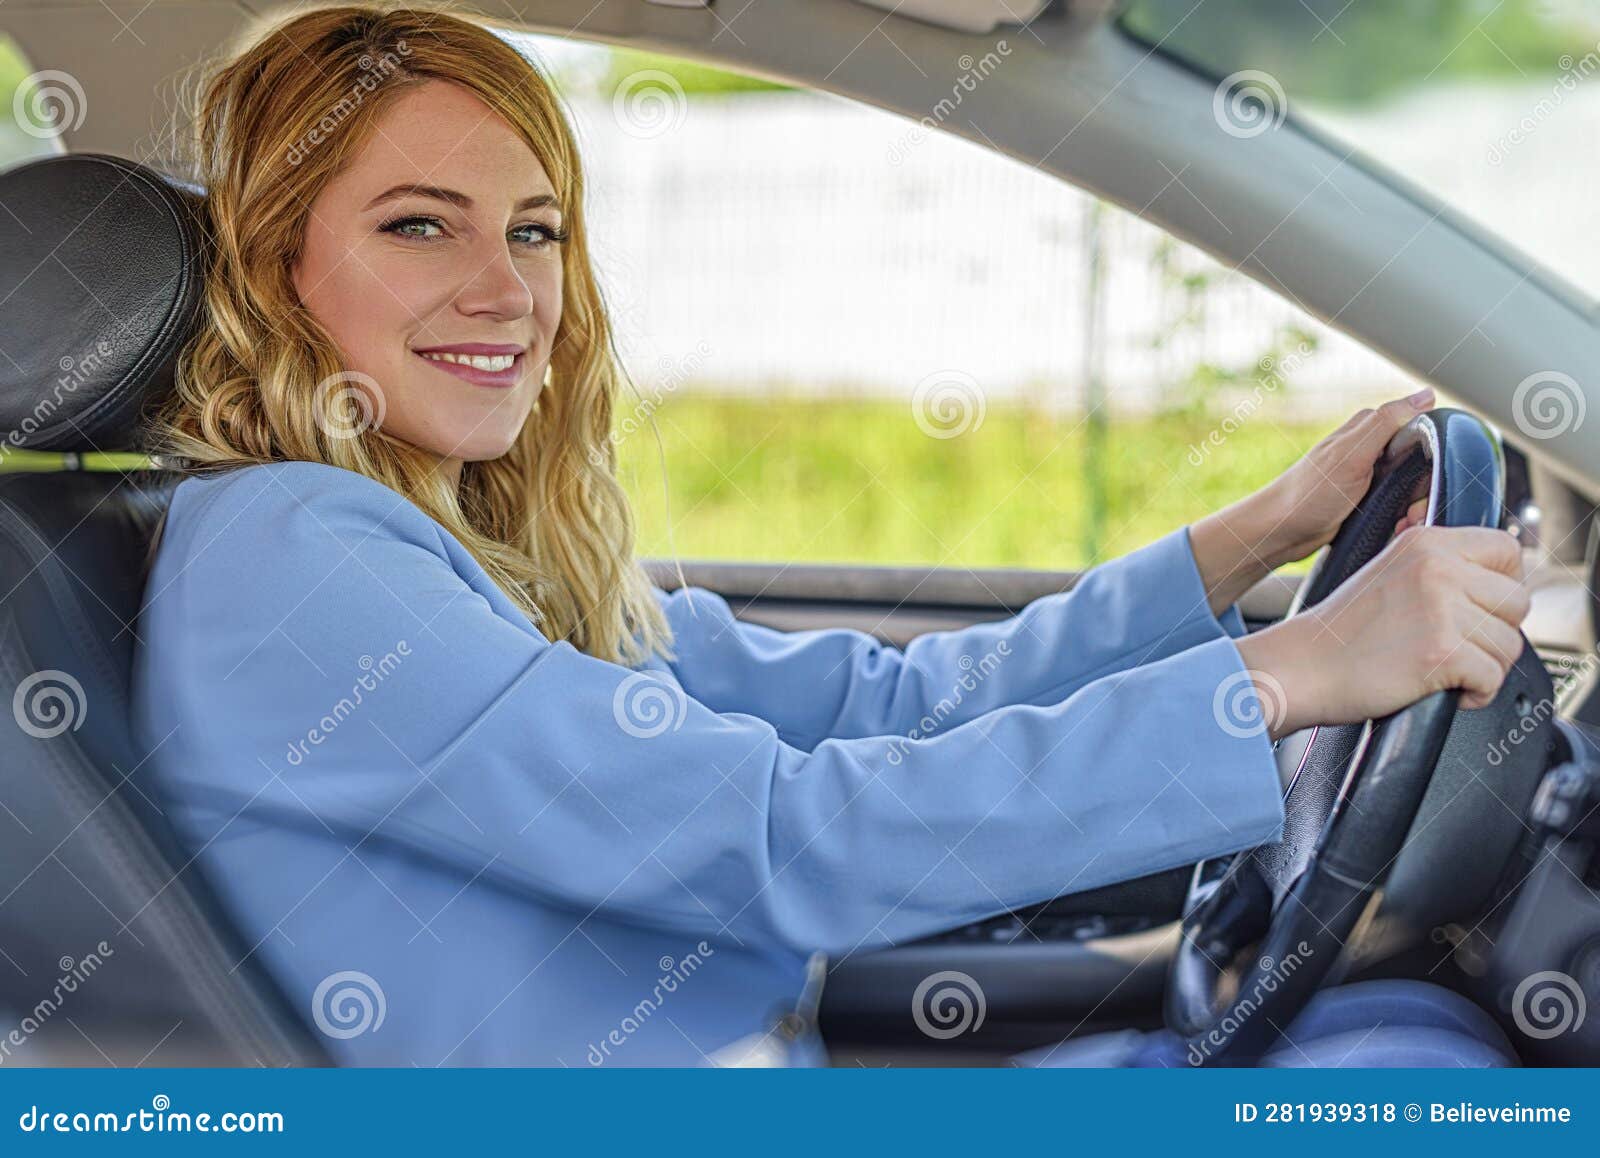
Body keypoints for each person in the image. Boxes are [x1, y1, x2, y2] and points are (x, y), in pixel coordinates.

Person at [130, 4, 1530, 1067]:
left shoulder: (445, 538)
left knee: (1393, 1046)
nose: (508, 291)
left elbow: (883, 706)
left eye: (537, 231)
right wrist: (1289, 675)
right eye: (419, 226)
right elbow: (790, 840)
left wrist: (1258, 536)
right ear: (276, 266)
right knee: (1418, 1073)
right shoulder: (290, 561)